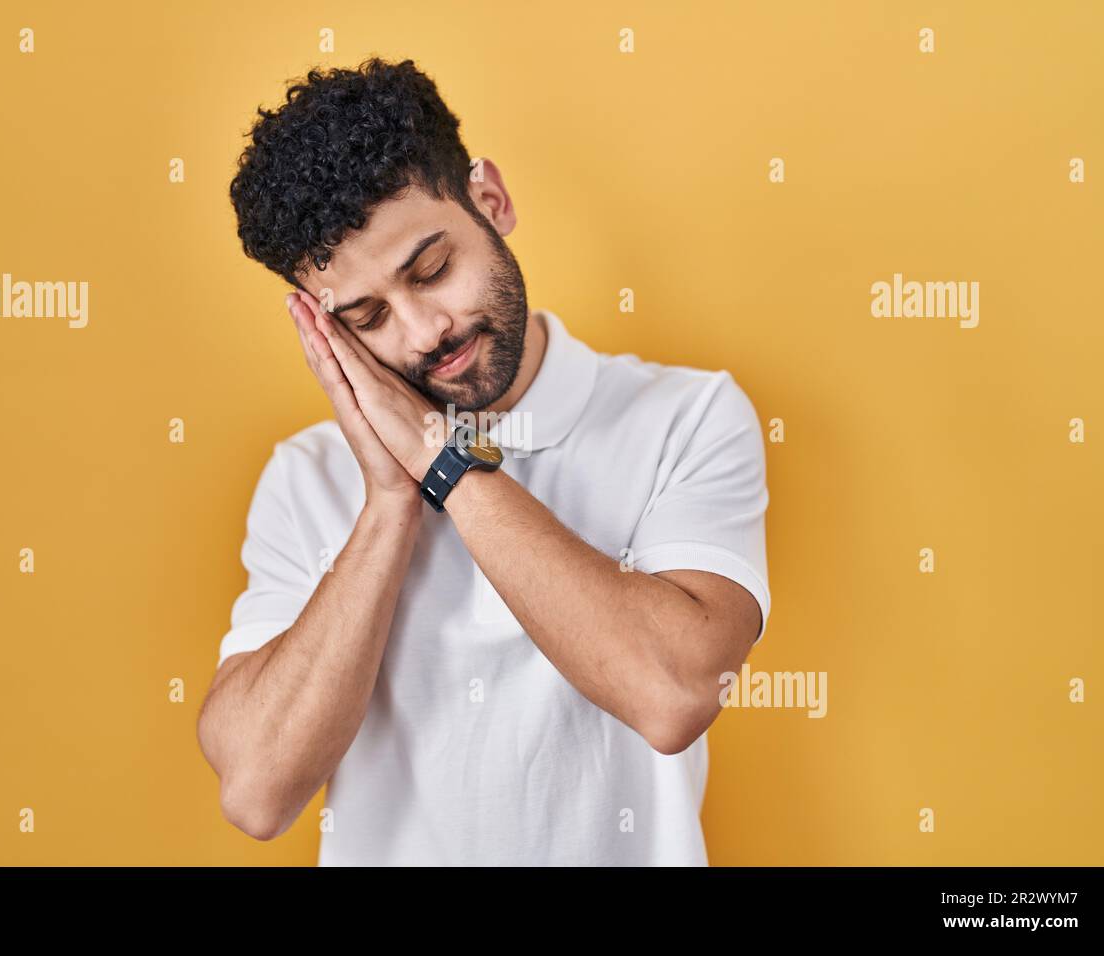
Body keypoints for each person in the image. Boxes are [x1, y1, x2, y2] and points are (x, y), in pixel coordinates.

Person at [198, 57, 771, 865]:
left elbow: (673, 693)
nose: (423, 331)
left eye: (432, 269)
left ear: (490, 201)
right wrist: (390, 503)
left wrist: (443, 462)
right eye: (367, 317)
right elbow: (256, 790)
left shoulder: (686, 416)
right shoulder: (307, 478)